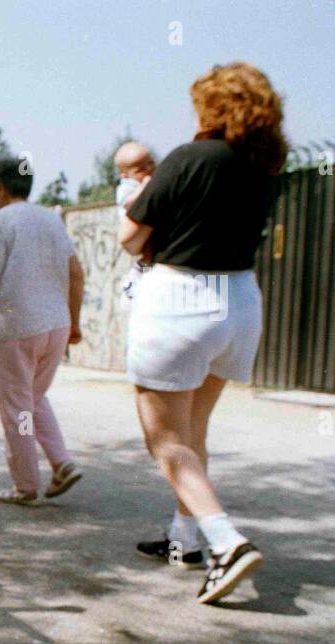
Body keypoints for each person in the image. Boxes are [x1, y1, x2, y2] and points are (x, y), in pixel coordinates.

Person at [119, 62, 285, 603]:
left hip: (179, 301)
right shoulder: (264, 167)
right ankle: (184, 538)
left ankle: (226, 542)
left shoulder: (188, 158)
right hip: (240, 303)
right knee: (194, 430)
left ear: (213, 107)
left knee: (165, 439)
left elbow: (129, 237)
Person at [0, 155, 85, 506]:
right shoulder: (52, 219)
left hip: (15, 329)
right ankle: (62, 464)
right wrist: (74, 322)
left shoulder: (0, 220)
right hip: (55, 326)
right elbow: (76, 274)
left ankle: (25, 486)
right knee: (32, 397)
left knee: (17, 408)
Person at [113, 141, 156, 303]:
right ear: (125, 175)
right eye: (141, 169)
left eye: (151, 163)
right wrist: (144, 188)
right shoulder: (126, 187)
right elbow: (127, 203)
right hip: (134, 225)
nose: (149, 170)